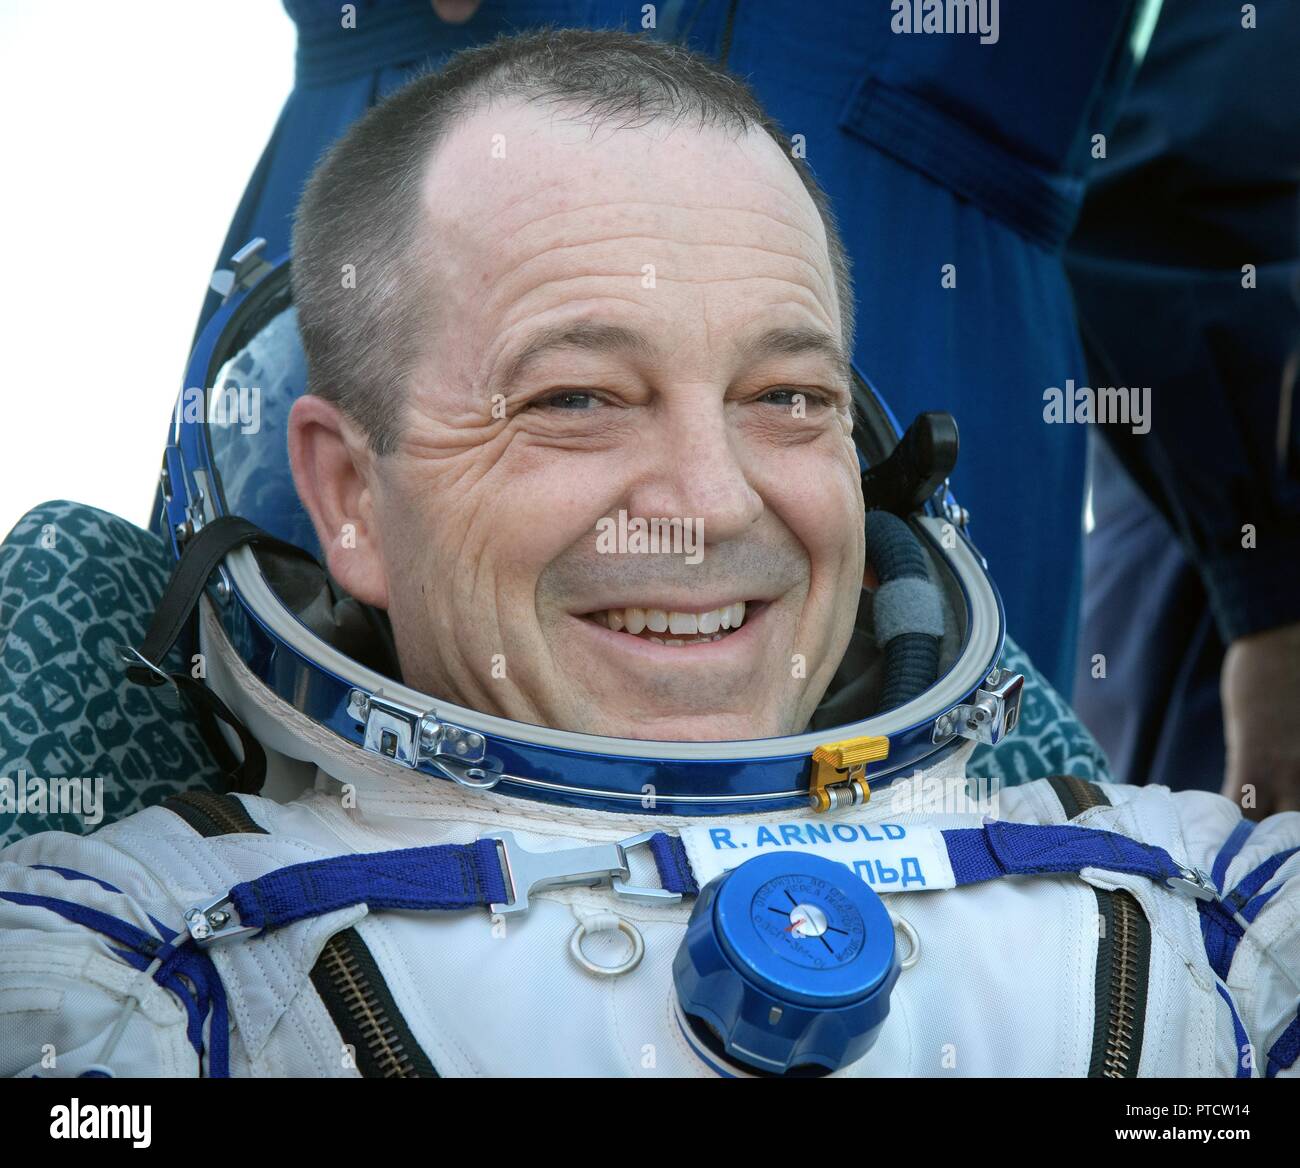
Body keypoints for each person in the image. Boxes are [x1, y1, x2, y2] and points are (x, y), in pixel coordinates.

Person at [2, 30, 1295, 1079]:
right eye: (576, 400)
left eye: (789, 398)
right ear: (348, 494)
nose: (708, 505)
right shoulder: (134, 977)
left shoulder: (1222, 930)